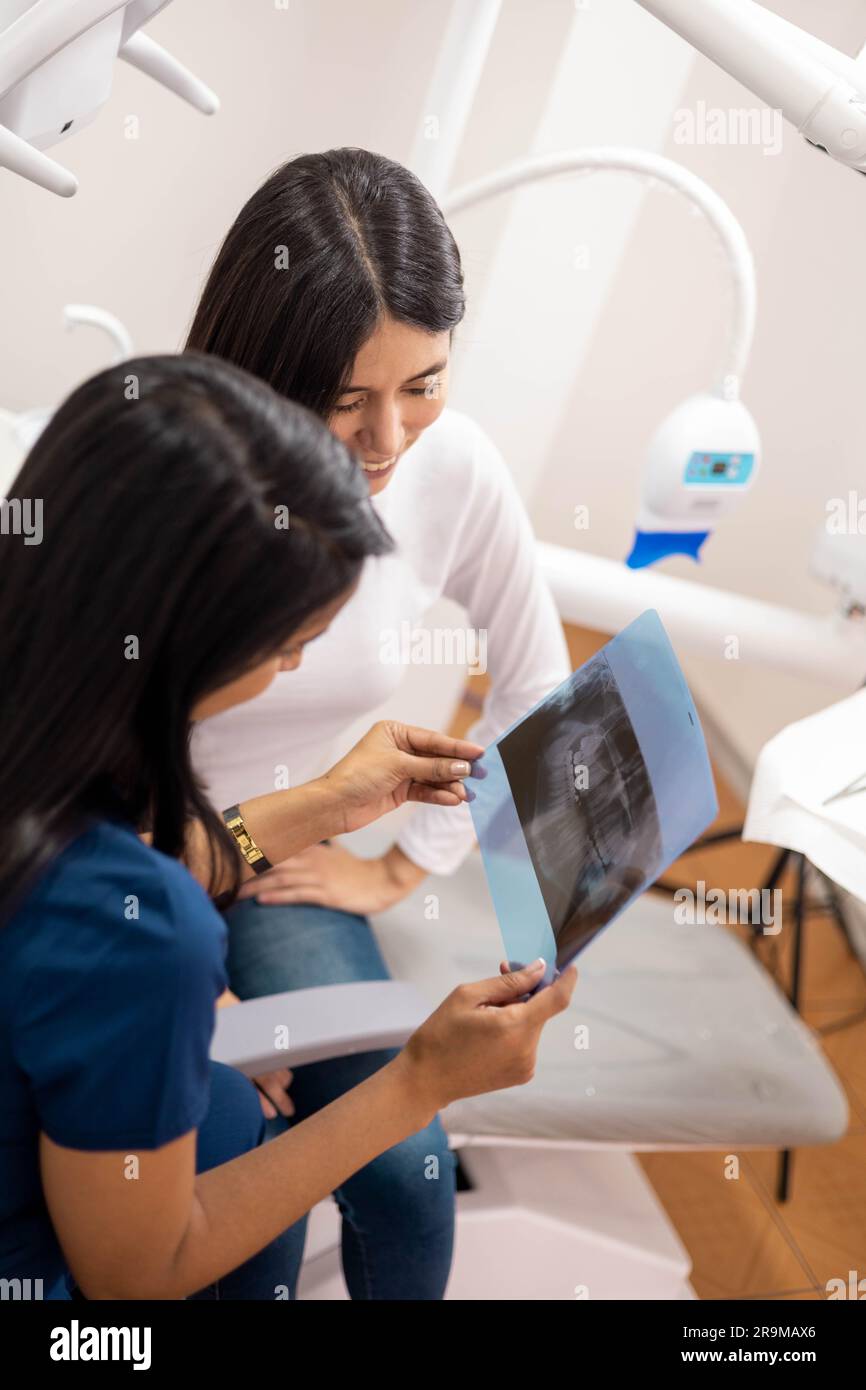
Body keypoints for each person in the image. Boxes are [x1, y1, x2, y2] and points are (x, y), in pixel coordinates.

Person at [0, 352, 575, 1301]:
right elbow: (139, 1278)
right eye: (292, 648)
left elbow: (72, 876)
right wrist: (420, 1081)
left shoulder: (48, 754)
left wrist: (328, 807)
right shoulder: (145, 937)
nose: (297, 670)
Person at [185, 147, 572, 1297]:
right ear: (258, 368)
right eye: (345, 398)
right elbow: (58, 763)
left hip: (272, 867)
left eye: (423, 383)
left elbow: (535, 679)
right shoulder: (167, 477)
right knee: (239, 1192)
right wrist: (168, 981)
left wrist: (406, 863)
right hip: (120, 877)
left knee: (404, 1175)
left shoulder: (444, 466)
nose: (387, 441)